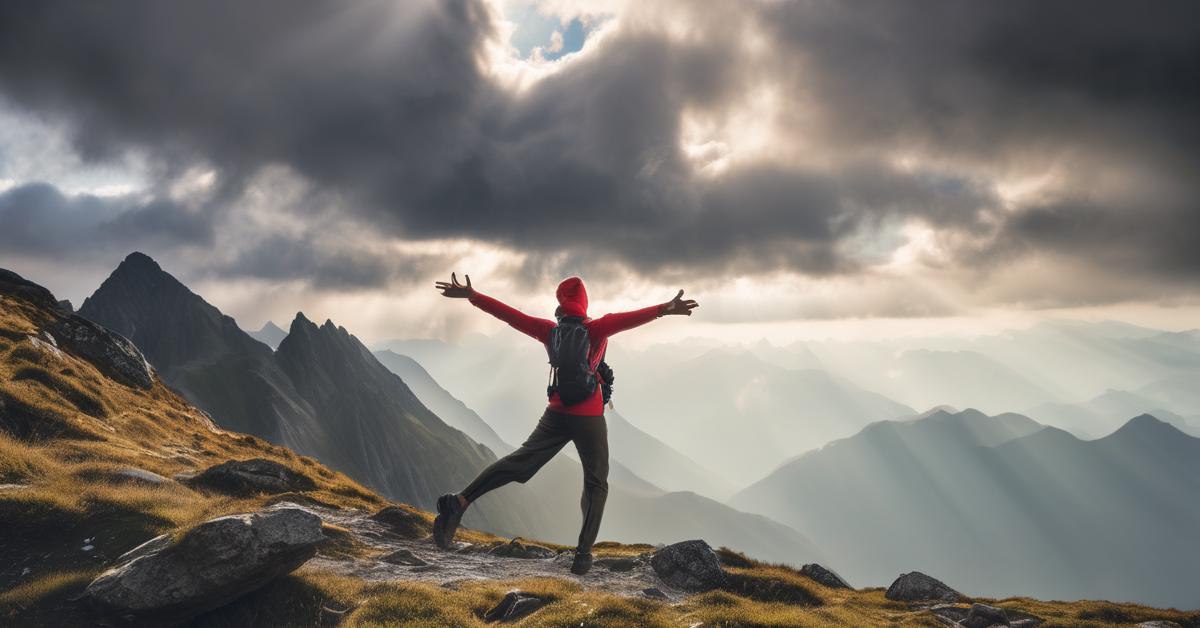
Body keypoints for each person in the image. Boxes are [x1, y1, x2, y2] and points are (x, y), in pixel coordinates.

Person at [432, 272, 698, 575]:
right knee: (596, 482)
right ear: (584, 302)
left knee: (520, 462)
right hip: (589, 417)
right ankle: (583, 555)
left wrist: (473, 296)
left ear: (561, 303)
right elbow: (629, 319)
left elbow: (511, 316)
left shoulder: (549, 331)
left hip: (556, 413)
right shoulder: (597, 328)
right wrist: (664, 308)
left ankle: (460, 501)